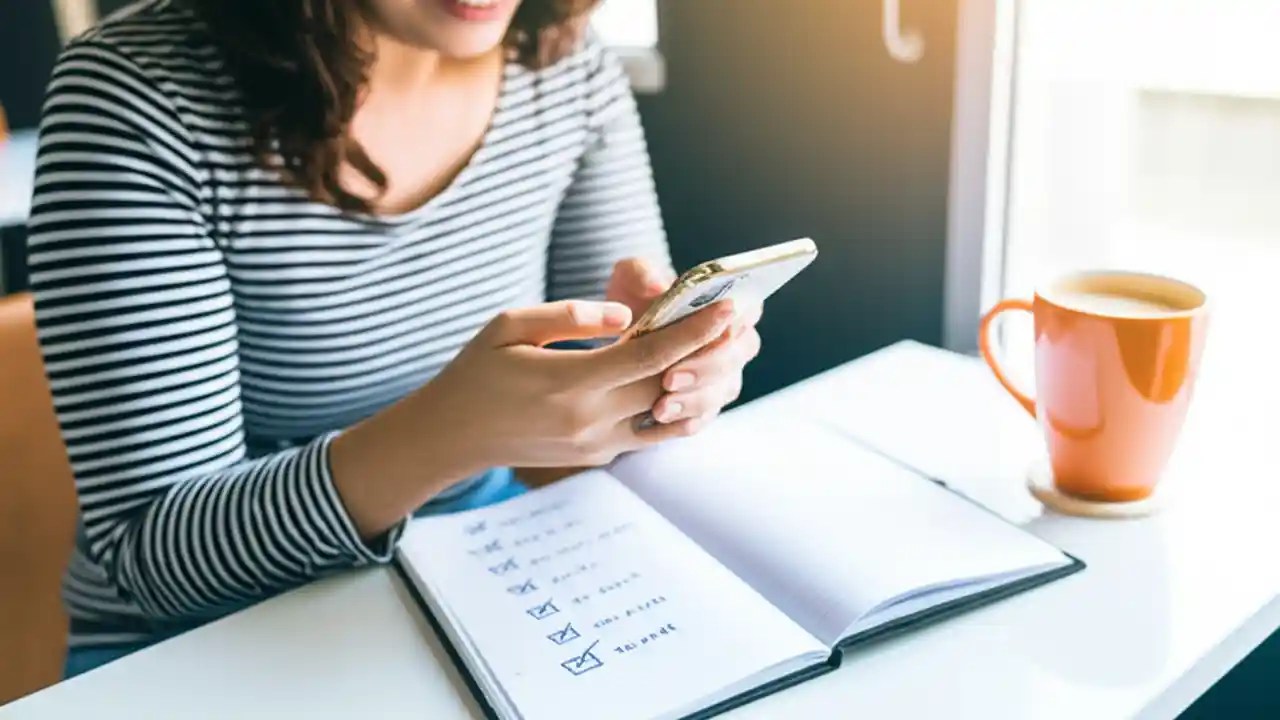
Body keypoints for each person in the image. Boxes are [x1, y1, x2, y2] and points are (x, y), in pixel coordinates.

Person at [28, 0, 762, 677]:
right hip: (199, 637)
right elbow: (157, 558)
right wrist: (447, 435)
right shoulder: (134, 97)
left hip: (477, 569)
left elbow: (593, 387)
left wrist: (666, 378)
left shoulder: (562, 62)